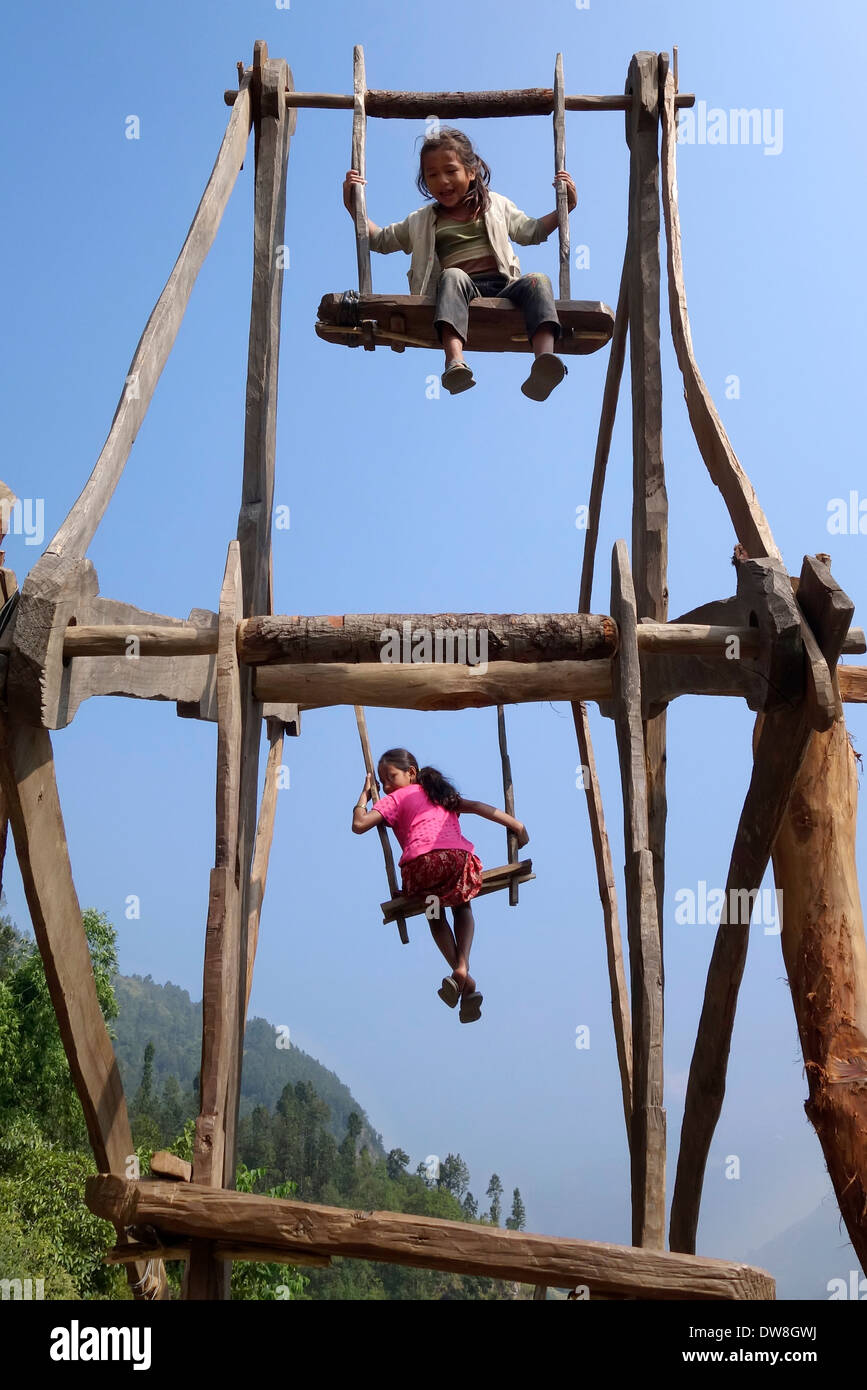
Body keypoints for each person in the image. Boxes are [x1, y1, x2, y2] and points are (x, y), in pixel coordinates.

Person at [342, 126, 578, 400]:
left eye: (450, 171)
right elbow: (381, 240)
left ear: (471, 171)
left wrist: (565, 209)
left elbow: (532, 231)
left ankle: (544, 361)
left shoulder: (496, 205)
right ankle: (455, 361)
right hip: (460, 290)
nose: (442, 181)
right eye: (432, 175)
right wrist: (354, 208)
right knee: (453, 275)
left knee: (539, 281)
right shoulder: (421, 220)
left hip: (505, 287)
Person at [351, 748, 529, 1024]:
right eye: (382, 781)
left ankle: (466, 982)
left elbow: (359, 824)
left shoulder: (395, 799)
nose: (386, 786)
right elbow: (479, 807)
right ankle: (462, 970)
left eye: (391, 777)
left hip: (420, 869)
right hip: (455, 861)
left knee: (434, 913)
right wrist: (517, 826)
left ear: (411, 773)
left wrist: (363, 799)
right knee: (462, 907)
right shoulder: (439, 795)